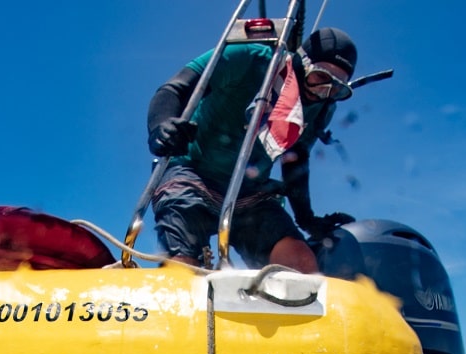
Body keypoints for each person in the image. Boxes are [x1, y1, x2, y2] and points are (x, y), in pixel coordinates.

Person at [146, 27, 359, 273]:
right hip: (192, 172)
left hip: (250, 192)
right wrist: (160, 125)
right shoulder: (248, 57)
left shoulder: (322, 107)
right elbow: (176, 88)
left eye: (338, 88)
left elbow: (295, 159)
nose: (324, 92)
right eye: (321, 77)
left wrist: (306, 219)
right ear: (301, 61)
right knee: (182, 269)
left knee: (301, 265)